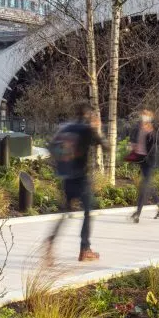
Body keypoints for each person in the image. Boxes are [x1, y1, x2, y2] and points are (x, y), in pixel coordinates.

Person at [46, 102, 108, 262]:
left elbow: (51, 146)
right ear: (88, 115)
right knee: (87, 212)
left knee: (65, 212)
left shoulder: (66, 127)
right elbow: (106, 146)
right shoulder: (87, 129)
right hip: (81, 179)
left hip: (66, 178)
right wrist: (96, 127)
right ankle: (85, 249)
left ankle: (51, 241)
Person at [129, 109, 159, 223]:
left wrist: (151, 133)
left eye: (146, 115)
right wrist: (132, 145)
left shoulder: (154, 128)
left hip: (150, 161)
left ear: (150, 117)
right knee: (148, 184)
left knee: (144, 186)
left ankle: (137, 213)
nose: (143, 117)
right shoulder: (137, 127)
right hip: (141, 160)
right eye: (142, 115)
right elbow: (133, 138)